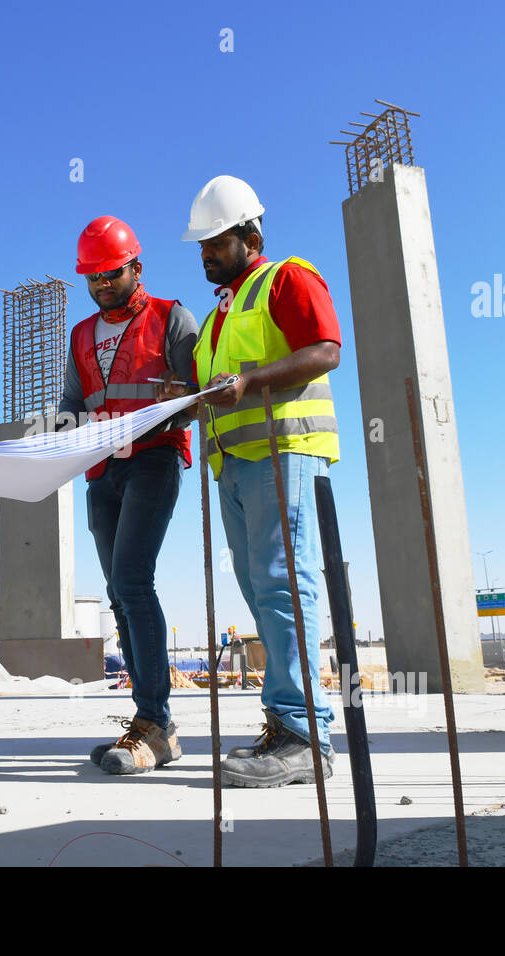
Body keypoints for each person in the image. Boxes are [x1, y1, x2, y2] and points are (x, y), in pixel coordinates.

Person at [174, 175, 342, 788]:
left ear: (250, 236)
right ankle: (286, 721)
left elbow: (324, 350)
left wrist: (250, 384)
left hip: (284, 453)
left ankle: (306, 736)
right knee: (261, 589)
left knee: (285, 586)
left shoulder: (287, 278)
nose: (205, 255)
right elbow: (213, 395)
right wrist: (184, 401)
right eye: (201, 247)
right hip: (236, 464)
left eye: (214, 243)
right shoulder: (222, 312)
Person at [58, 216, 198, 774]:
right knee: (118, 590)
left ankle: (154, 720)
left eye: (110, 275)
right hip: (102, 473)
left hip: (154, 460)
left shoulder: (172, 317)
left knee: (134, 580)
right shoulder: (82, 334)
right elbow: (74, 401)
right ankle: (151, 725)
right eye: (91, 278)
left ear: (135, 268)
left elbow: (199, 392)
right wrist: (55, 432)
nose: (100, 286)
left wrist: (181, 396)